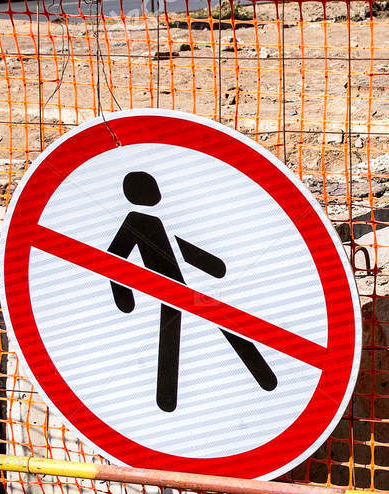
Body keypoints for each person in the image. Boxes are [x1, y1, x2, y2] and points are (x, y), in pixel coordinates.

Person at [106, 170, 277, 412]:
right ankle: (167, 398)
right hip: (169, 292)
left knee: (216, 325)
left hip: (186, 288)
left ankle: (265, 377)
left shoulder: (160, 220)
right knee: (173, 339)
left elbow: (181, 249)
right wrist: (124, 297)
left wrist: (213, 265)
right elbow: (114, 258)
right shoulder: (134, 222)